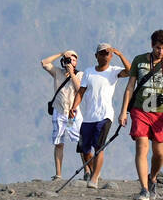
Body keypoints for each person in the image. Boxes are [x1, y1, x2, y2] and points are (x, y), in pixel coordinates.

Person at [120, 29, 163, 200]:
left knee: (159, 153)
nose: (160, 52)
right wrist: (124, 111)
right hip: (140, 111)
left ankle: (152, 177)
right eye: (158, 48)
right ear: (152, 45)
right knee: (142, 146)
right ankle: (144, 189)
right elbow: (130, 87)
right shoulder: (139, 61)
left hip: (161, 113)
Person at [68, 43, 132, 189]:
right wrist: (73, 107)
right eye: (102, 53)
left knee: (99, 147)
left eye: (107, 53)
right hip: (89, 117)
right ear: (96, 56)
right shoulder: (89, 72)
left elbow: (130, 71)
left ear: (111, 56)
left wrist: (120, 55)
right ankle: (92, 172)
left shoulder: (114, 71)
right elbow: (81, 92)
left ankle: (95, 178)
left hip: (105, 116)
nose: (105, 55)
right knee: (84, 149)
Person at [40, 49, 82, 179]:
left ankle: (87, 171)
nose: (71, 61)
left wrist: (72, 73)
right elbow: (44, 62)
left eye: (73, 59)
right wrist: (61, 54)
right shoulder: (58, 72)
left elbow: (80, 89)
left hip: (72, 115)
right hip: (59, 113)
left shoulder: (80, 74)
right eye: (68, 59)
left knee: (79, 140)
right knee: (59, 142)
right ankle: (58, 174)